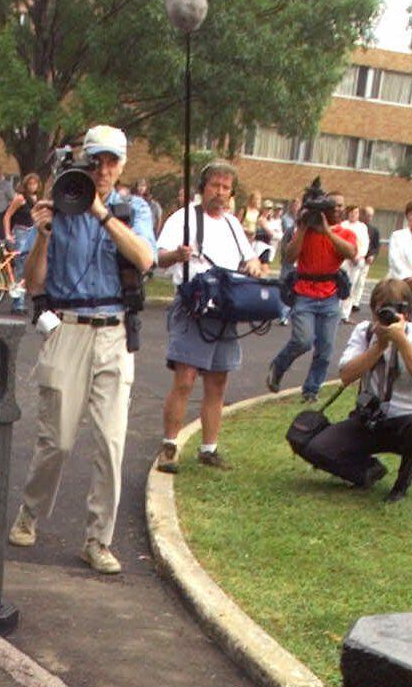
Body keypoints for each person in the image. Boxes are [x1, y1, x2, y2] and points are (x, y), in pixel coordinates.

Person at [7, 124, 156, 576]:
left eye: (112, 161)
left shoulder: (134, 210)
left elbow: (145, 259)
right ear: (83, 162)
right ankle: (29, 514)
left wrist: (99, 211)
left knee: (110, 443)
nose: (104, 169)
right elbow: (34, 282)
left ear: (122, 164)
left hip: (114, 331)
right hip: (67, 328)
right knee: (57, 441)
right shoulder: (61, 207)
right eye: (96, 161)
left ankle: (99, 539)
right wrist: (46, 232)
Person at [155, 161, 272, 474]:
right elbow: (157, 259)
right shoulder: (183, 218)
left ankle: (209, 449)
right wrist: (175, 255)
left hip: (225, 311)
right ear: (202, 188)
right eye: (215, 186)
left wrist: (257, 269)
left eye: (226, 187)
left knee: (218, 382)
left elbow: (250, 260)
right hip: (193, 307)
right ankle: (169, 447)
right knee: (185, 379)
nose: (220, 192)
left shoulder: (233, 224)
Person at [295, 277, 412, 503]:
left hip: (406, 421)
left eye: (395, 309)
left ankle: (402, 485)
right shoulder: (365, 333)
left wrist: (401, 341)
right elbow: (346, 376)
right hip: (368, 419)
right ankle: (367, 472)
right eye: (382, 310)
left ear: (407, 312)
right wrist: (378, 347)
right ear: (373, 310)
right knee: (313, 447)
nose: (386, 317)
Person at [266, 186, 357, 400]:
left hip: (330, 295)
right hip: (305, 293)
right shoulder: (305, 230)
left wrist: (327, 231)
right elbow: (288, 257)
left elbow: (351, 253)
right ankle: (278, 366)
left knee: (325, 349)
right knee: (303, 340)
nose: (338, 209)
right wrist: (305, 228)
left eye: (341, 206)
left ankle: (311, 390)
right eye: (333, 206)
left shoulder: (346, 233)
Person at [2, 169, 42, 313]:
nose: (33, 186)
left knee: (31, 268)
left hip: (33, 233)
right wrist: (8, 234)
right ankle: (17, 303)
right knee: (21, 268)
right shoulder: (20, 199)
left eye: (35, 183)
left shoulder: (36, 199)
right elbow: (7, 216)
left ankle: (22, 299)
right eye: (30, 184)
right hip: (21, 232)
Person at [339, 202, 371, 322]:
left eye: (356, 212)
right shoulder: (343, 225)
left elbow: (365, 244)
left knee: (351, 286)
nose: (354, 215)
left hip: (357, 260)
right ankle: (337, 311)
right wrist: (348, 255)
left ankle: (345, 314)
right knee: (340, 284)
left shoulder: (362, 227)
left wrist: (359, 256)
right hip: (344, 260)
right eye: (352, 212)